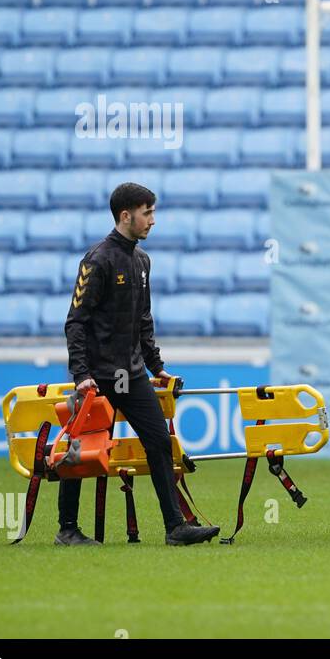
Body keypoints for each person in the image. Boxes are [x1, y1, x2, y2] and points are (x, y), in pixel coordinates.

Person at [62, 183, 219, 546]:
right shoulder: (97, 260)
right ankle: (67, 529)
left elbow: (142, 319)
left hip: (130, 374)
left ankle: (175, 528)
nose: (153, 220)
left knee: (159, 442)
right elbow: (76, 322)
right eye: (147, 213)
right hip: (99, 377)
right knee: (80, 451)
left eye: (153, 212)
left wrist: (155, 364)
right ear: (125, 215)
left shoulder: (141, 260)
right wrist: (82, 374)